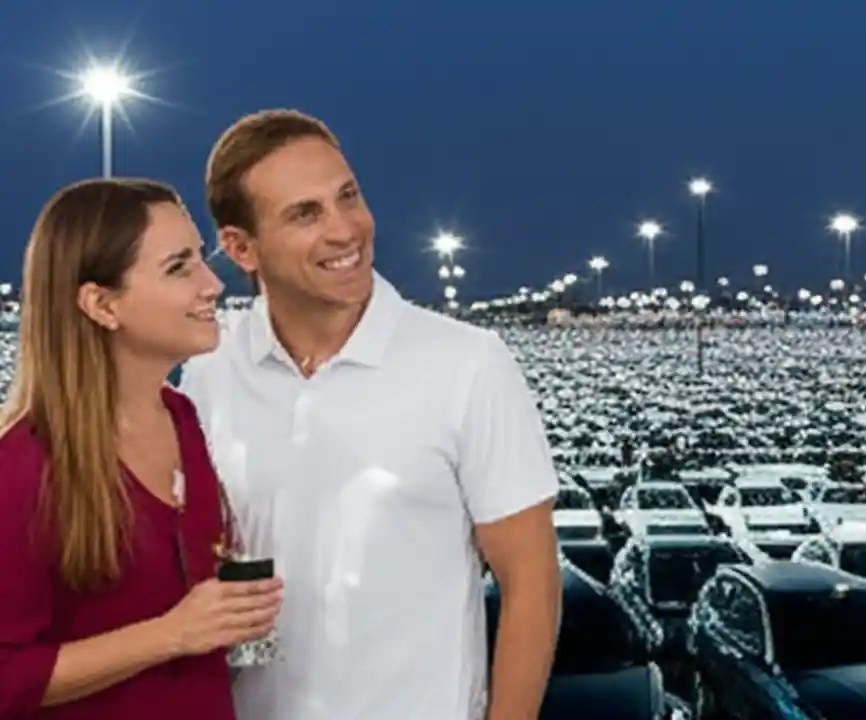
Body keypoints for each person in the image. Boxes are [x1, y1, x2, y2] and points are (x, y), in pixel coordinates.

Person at [179, 109, 562, 719]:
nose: (345, 229)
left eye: (348, 196)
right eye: (306, 214)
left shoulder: (467, 364)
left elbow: (531, 581)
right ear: (241, 248)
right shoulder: (209, 369)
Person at [0, 179, 285, 718]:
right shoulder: (25, 466)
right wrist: (171, 634)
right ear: (101, 304)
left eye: (200, 259)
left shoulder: (182, 418)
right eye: (179, 268)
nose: (212, 284)